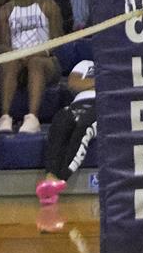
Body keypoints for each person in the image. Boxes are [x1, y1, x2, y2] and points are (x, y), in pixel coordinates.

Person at [0, 0, 63, 134]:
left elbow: (58, 40)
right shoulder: (6, 10)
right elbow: (2, 45)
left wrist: (37, 53)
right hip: (17, 58)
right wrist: (17, 55)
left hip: (45, 59)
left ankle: (32, 117)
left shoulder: (48, 5)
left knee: (36, 62)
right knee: (9, 63)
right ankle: (5, 117)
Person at [35, 60, 98, 221]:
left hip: (102, 106)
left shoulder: (121, 62)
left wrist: (90, 83)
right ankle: (50, 177)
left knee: (84, 126)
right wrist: (101, 81)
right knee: (60, 120)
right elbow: (73, 83)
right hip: (77, 105)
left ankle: (60, 179)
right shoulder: (86, 63)